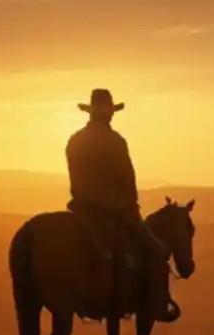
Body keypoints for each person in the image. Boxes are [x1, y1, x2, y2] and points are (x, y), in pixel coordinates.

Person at [65, 89, 175, 321]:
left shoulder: (74, 140)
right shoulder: (116, 141)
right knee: (157, 250)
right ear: (108, 113)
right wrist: (129, 206)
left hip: (80, 207)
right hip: (112, 208)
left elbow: (75, 181)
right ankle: (158, 307)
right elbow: (127, 178)